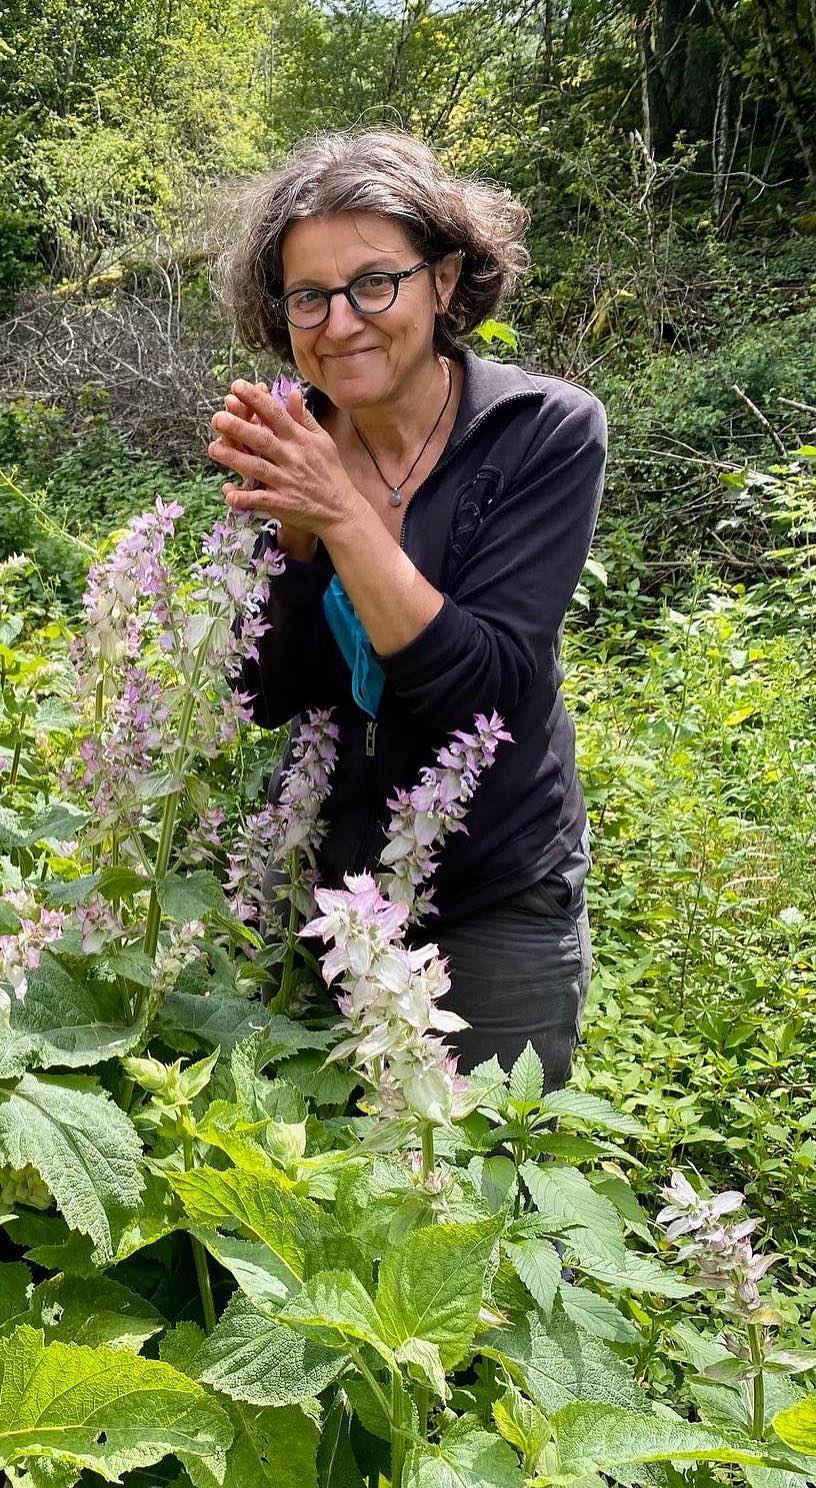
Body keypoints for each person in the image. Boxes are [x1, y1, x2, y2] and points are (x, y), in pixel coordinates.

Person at [207, 127, 607, 1092]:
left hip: (491, 884)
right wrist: (295, 545)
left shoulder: (543, 433)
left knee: (477, 1191)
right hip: (329, 881)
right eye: (309, 294)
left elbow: (484, 692)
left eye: (374, 282)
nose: (339, 322)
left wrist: (337, 511)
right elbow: (264, 691)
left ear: (446, 278)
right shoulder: (294, 436)